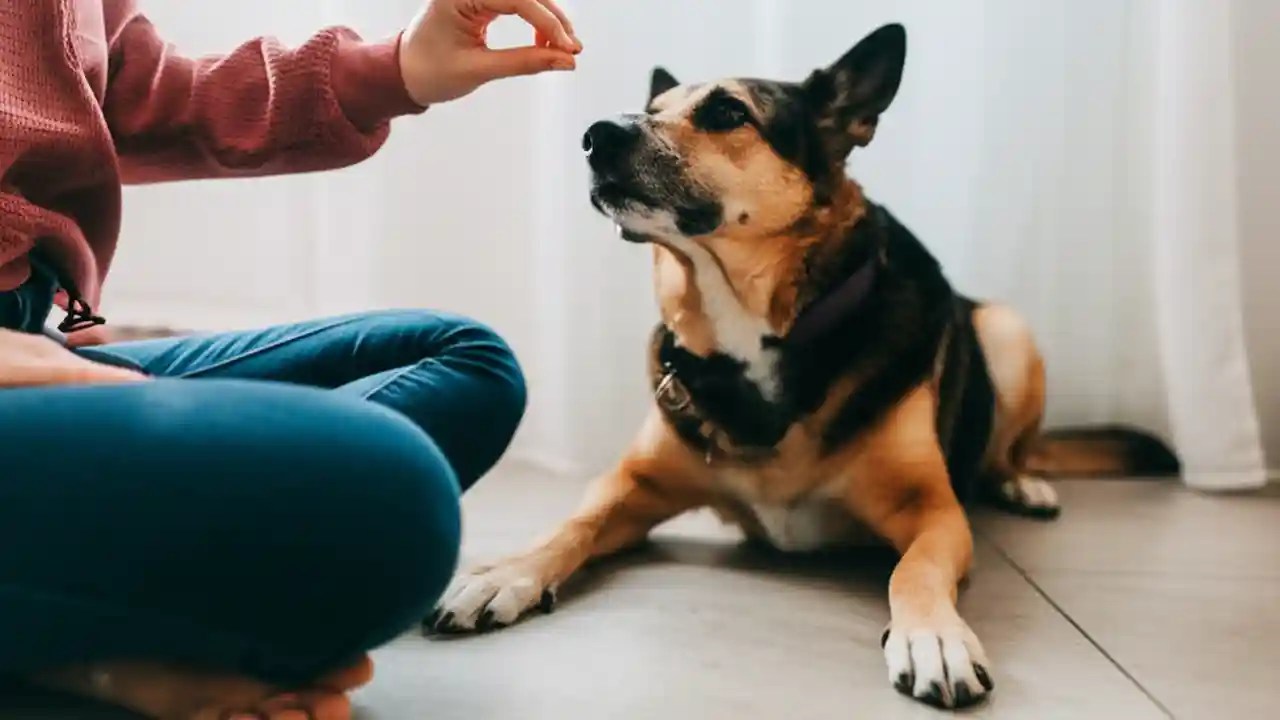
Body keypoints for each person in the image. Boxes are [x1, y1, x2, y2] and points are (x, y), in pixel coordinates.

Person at [0, 0, 582, 718]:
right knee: (390, 495)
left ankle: (88, 610)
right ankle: (84, 652)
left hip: (28, 345)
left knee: (461, 360)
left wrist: (401, 67)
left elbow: (138, 92)